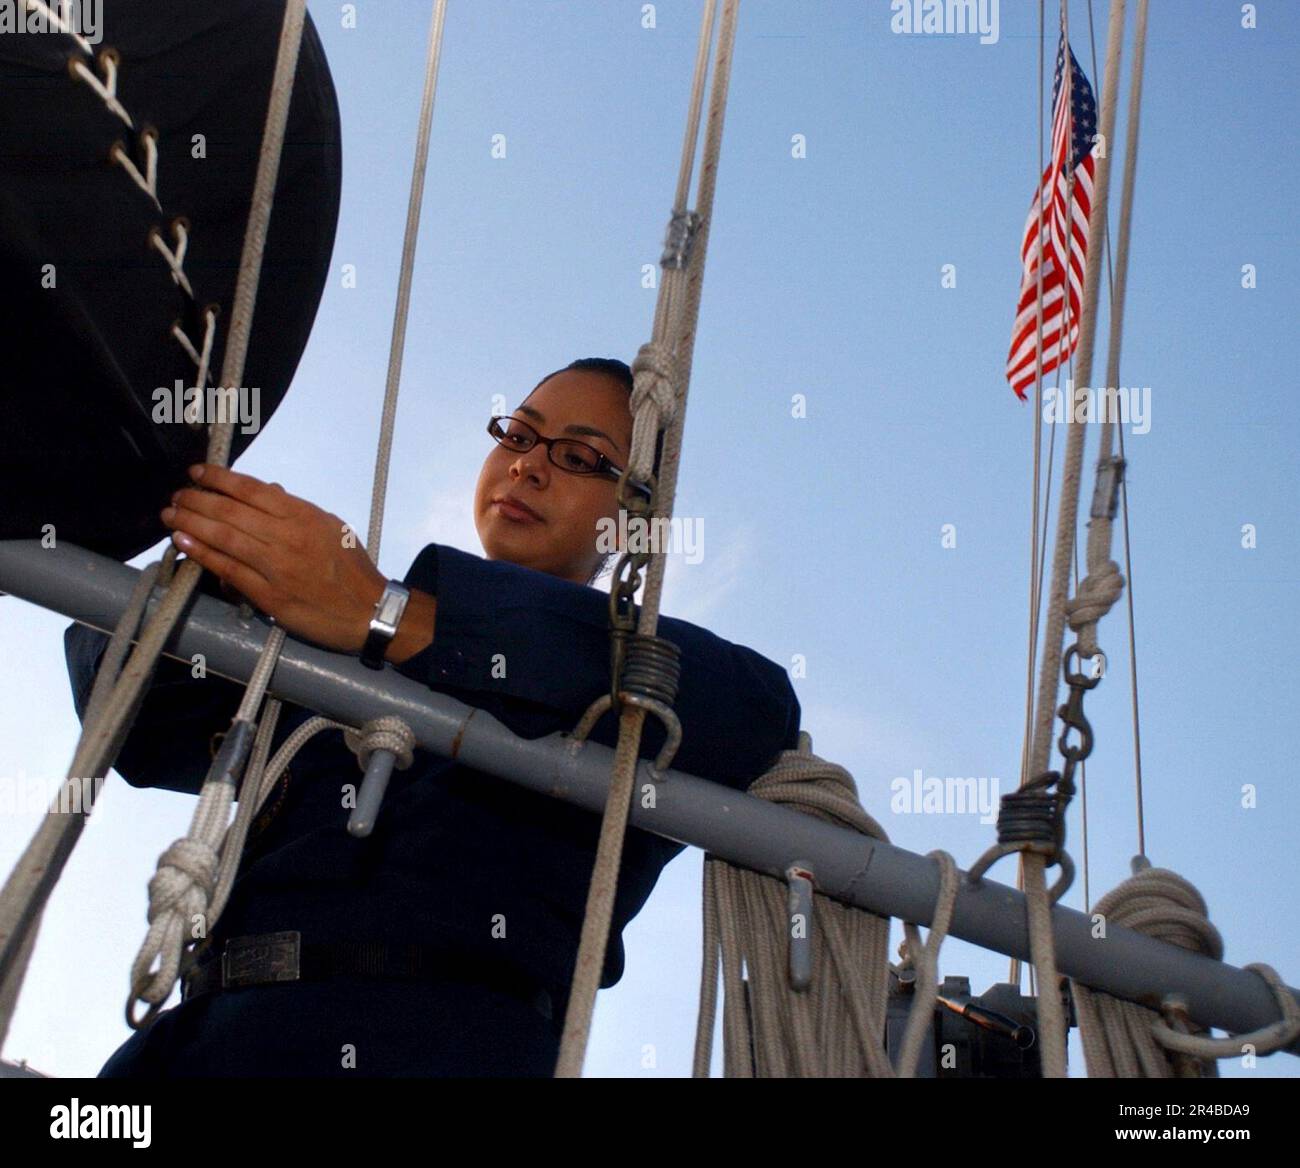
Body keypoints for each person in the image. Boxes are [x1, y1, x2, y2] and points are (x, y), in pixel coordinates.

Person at [64, 357, 801, 1077]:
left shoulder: (642, 688)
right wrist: (204, 569)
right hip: (187, 1040)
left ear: (633, 518)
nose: (527, 466)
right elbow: (131, 722)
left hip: (430, 1048)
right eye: (517, 435)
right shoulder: (321, 633)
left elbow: (757, 713)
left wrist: (391, 617)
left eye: (579, 456)